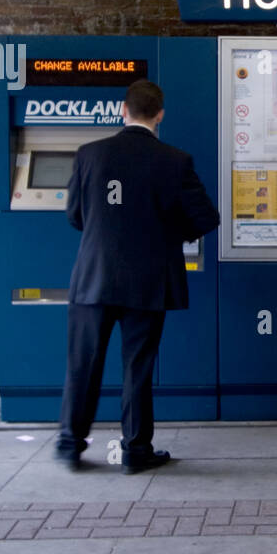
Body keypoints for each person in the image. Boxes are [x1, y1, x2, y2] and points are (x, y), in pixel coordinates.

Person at [55, 80, 220, 474]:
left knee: (83, 364)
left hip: (94, 278)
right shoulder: (174, 161)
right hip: (148, 281)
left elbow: (74, 215)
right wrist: (163, 236)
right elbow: (205, 218)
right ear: (160, 115)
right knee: (138, 367)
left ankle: (70, 445)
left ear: (122, 110)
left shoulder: (89, 154)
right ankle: (135, 450)